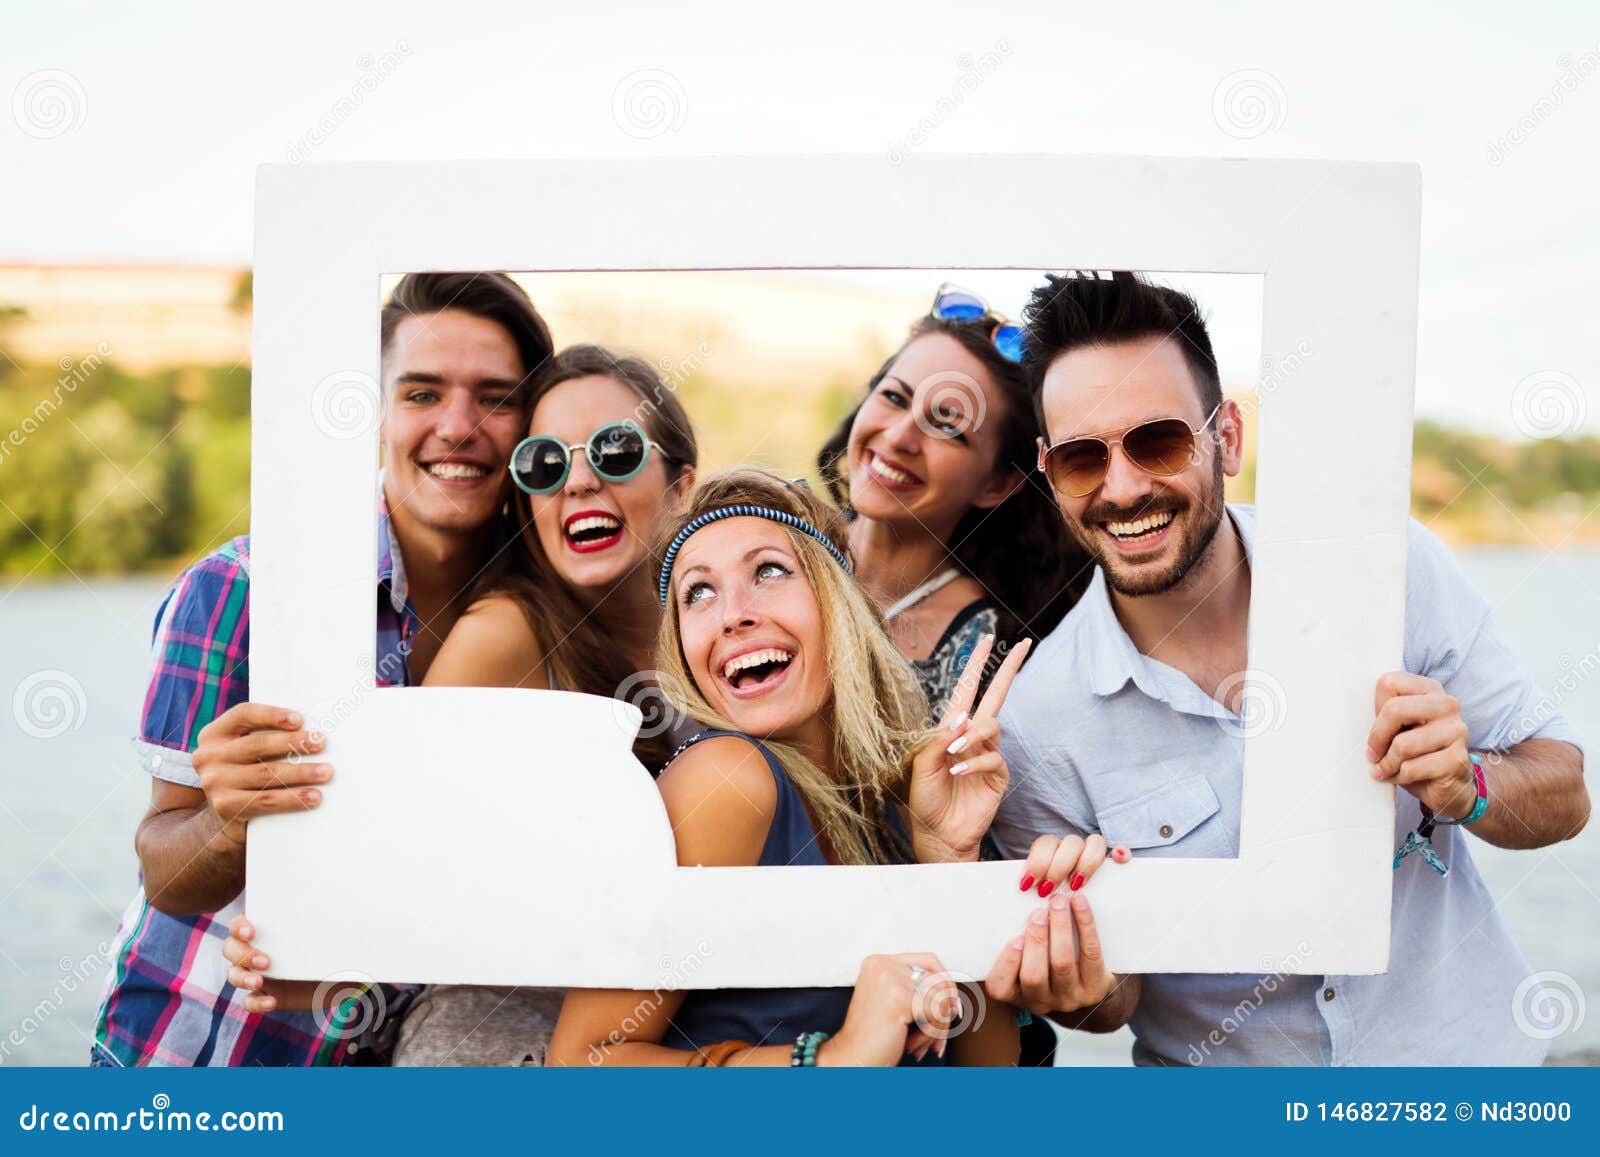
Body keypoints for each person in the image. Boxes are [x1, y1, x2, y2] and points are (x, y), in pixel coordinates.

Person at [987, 270, 1590, 1065]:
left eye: (1157, 441)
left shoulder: (1383, 568)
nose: (1123, 486)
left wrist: (1468, 785)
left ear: (1227, 437)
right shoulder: (1034, 723)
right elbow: (1117, 998)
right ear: (1045, 469)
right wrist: (1082, 983)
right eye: (1080, 458)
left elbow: (1565, 791)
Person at [91, 272, 554, 1066]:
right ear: (374, 411)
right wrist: (232, 818)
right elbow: (167, 867)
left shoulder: (549, 620)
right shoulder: (245, 588)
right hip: (200, 1065)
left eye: (495, 397)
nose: (458, 425)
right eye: (421, 393)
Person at [217, 344, 702, 1065]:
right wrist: (304, 954)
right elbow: (396, 846)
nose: (578, 481)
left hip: (699, 1016)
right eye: (543, 464)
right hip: (505, 1034)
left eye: (616, 450)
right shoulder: (505, 636)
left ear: (682, 484)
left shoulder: (732, 619)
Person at [547, 468, 1077, 1067]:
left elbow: (987, 1090)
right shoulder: (727, 781)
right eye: (698, 592)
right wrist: (828, 1061)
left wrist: (949, 863)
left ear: (839, 603)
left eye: (768, 572)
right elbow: (582, 1063)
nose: (732, 615)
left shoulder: (905, 807)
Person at [818, 283, 1090, 717]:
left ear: (998, 484)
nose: (898, 437)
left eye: (947, 427)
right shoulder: (779, 537)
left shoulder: (984, 651)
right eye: (893, 397)